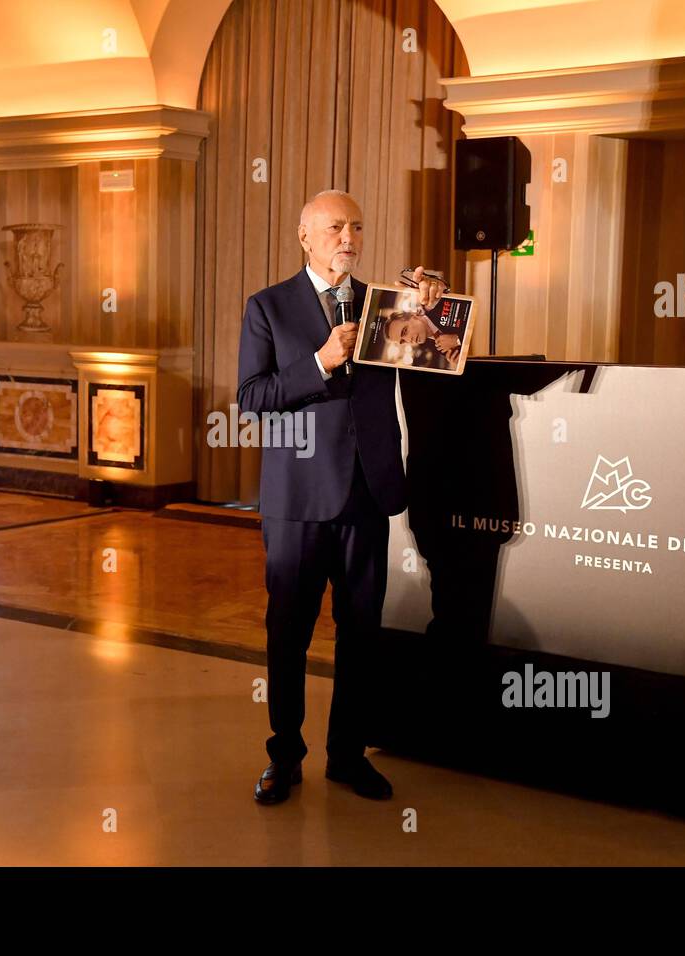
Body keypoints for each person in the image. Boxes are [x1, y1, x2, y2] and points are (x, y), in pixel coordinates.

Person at [236, 188, 446, 804]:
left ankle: (348, 756)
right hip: (298, 500)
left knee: (362, 634)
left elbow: (441, 348)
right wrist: (321, 362)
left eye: (355, 226)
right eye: (333, 227)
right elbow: (251, 398)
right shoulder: (268, 307)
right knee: (289, 635)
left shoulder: (387, 306)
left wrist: (431, 300)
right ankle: (285, 757)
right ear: (304, 236)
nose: (346, 236)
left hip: (366, 494)